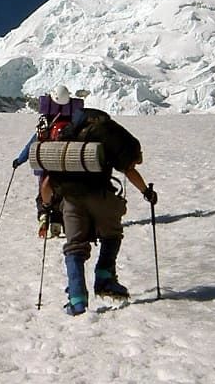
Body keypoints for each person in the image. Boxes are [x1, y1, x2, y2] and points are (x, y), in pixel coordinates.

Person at [46, 111, 155, 315]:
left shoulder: (68, 136)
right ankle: (105, 277)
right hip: (100, 195)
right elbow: (130, 169)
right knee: (111, 235)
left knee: (75, 248)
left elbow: (48, 182)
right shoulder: (107, 133)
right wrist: (146, 192)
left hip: (70, 199)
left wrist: (45, 207)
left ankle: (77, 300)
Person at [11, 84, 81, 238]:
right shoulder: (73, 123)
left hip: (44, 165)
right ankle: (57, 218)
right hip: (65, 165)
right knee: (60, 193)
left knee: (43, 191)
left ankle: (43, 214)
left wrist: (20, 160)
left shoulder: (46, 124)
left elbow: (32, 144)